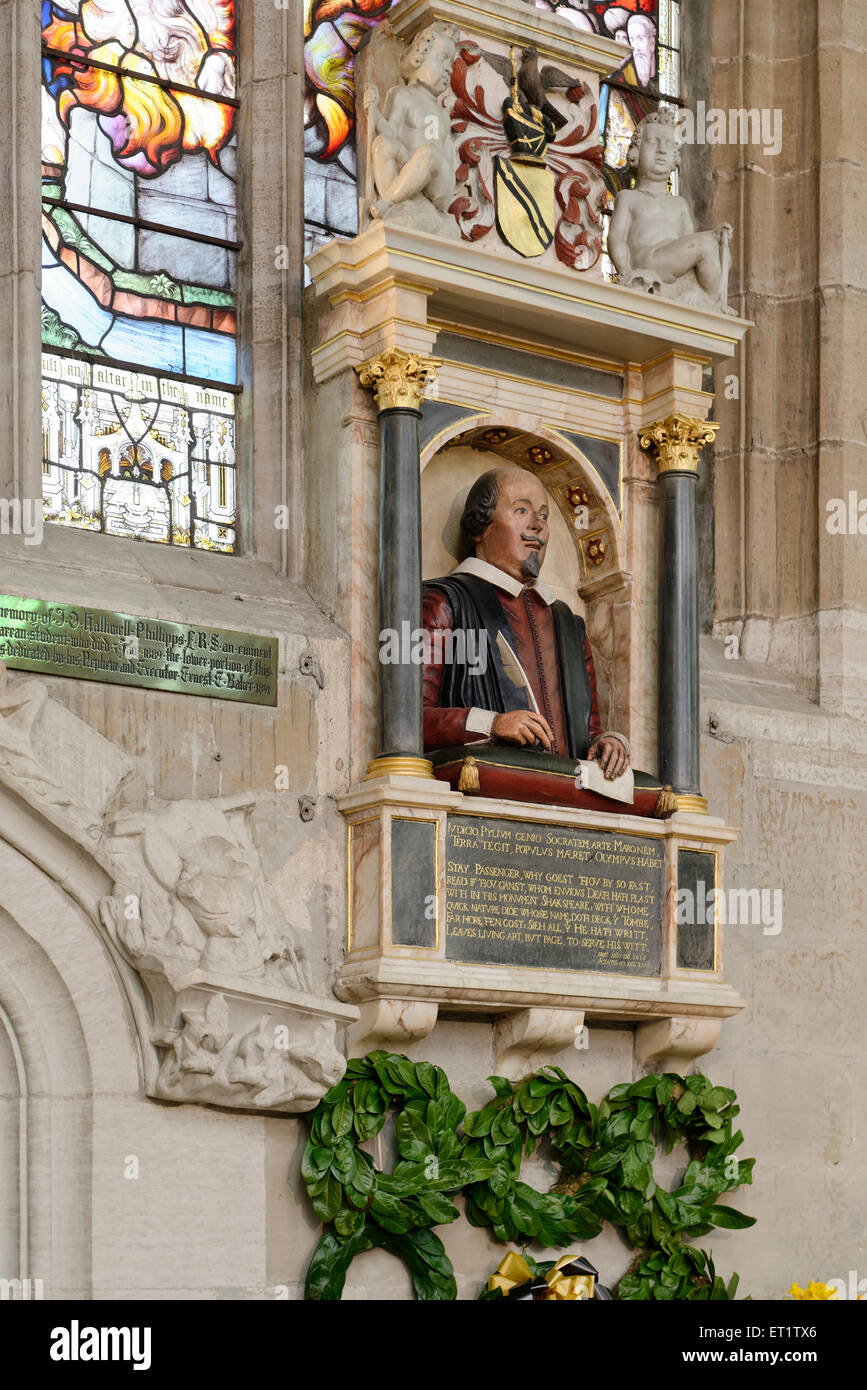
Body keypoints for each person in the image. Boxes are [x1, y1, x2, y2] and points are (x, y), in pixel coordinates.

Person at [422, 467, 629, 779]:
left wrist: (607, 743)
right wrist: (492, 724)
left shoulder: (569, 626)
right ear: (480, 526)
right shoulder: (443, 603)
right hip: (484, 795)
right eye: (521, 510)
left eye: (543, 516)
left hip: (563, 796)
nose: (537, 526)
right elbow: (408, 720)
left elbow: (587, 732)